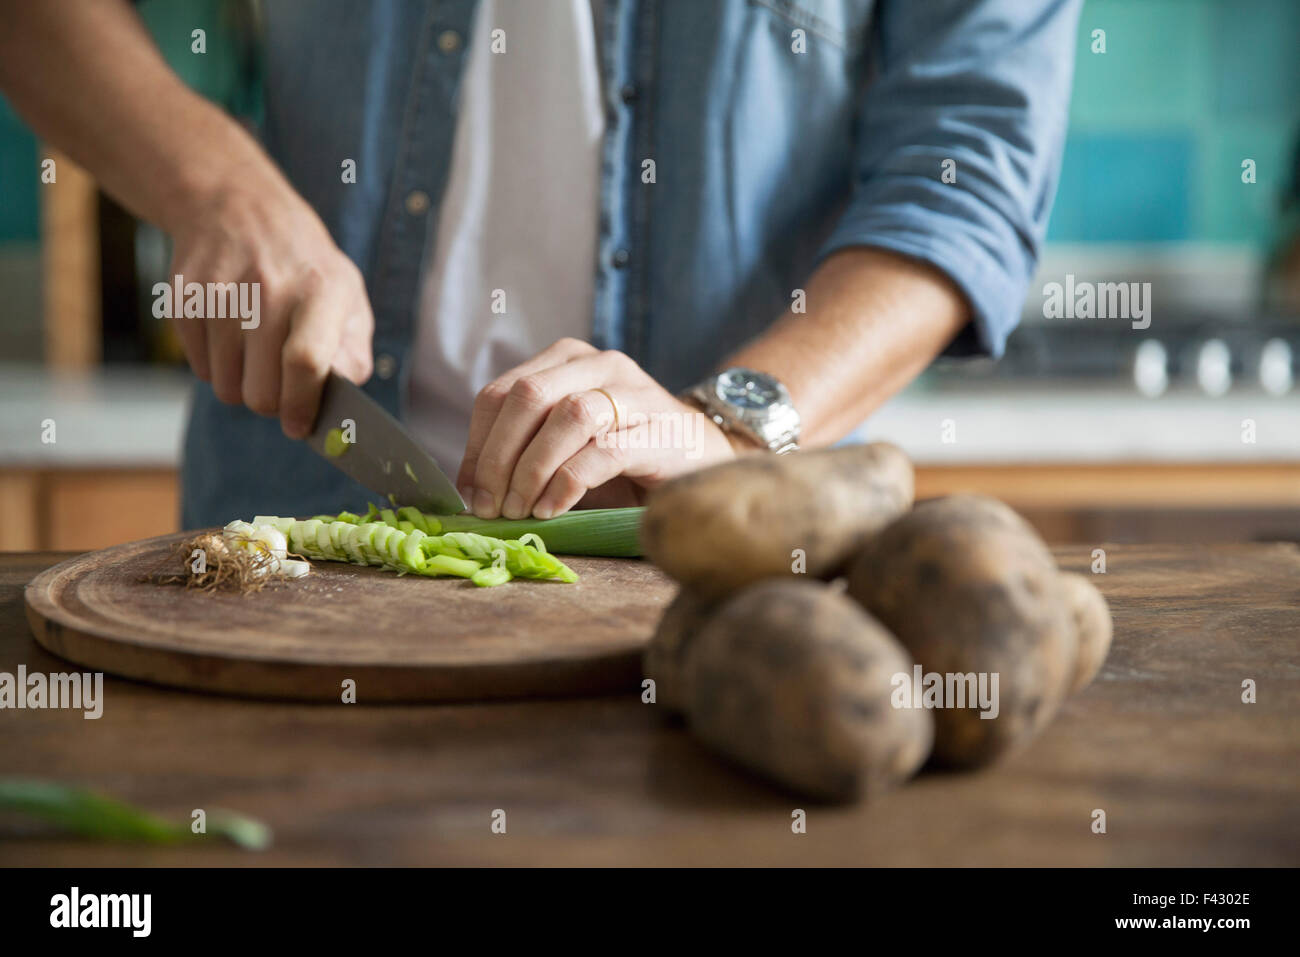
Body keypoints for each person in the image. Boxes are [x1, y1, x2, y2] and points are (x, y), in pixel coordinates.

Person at [0, 0, 1081, 525]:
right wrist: (209, 186)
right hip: (293, 530)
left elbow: (963, 176)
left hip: (711, 565)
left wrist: (727, 424)